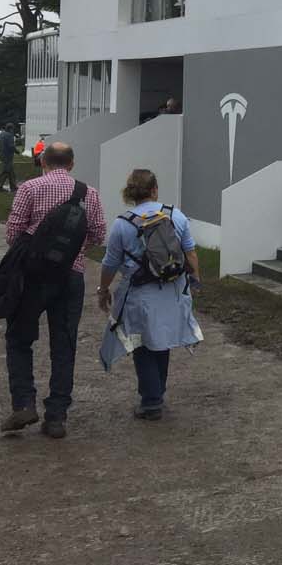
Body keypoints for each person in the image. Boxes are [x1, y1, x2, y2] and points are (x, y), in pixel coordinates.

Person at [0, 142, 106, 439]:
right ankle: (56, 417)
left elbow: (12, 233)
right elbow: (98, 234)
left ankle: (23, 403)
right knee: (64, 344)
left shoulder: (29, 189)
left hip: (31, 278)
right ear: (71, 164)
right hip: (71, 276)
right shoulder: (89, 193)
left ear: (43, 162)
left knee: (19, 339)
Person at [97, 169, 201, 420]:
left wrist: (103, 289)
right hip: (171, 288)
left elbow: (110, 263)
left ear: (131, 193)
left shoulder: (123, 223)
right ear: (155, 189)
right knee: (161, 338)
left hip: (139, 291)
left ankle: (152, 400)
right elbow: (190, 253)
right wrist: (195, 280)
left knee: (142, 343)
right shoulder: (176, 215)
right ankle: (156, 393)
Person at [0, 123, 18, 192]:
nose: (13, 130)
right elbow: (11, 146)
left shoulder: (1, 134)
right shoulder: (9, 135)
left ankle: (13, 186)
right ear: (10, 129)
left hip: (2, 155)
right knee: (5, 171)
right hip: (7, 156)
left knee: (11, 172)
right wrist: (17, 151)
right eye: (12, 129)